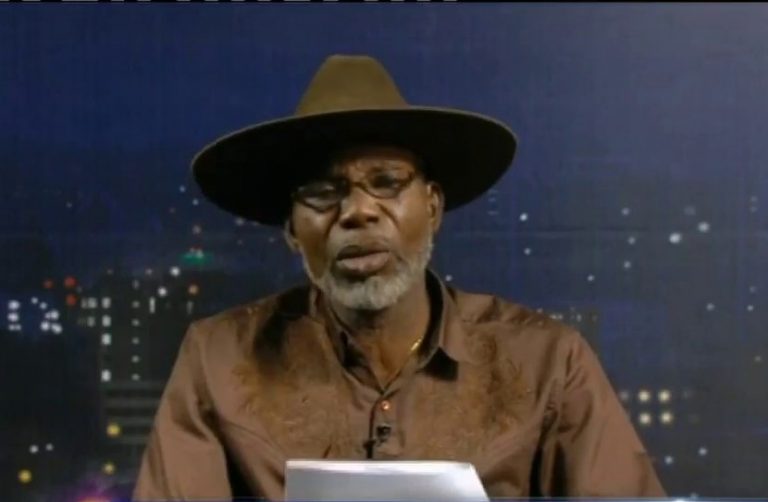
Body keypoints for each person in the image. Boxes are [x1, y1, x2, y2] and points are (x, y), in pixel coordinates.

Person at [133, 54, 666, 500]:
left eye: (386, 182)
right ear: (292, 230)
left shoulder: (549, 362)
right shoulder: (217, 359)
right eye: (322, 193)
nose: (357, 211)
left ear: (432, 206)